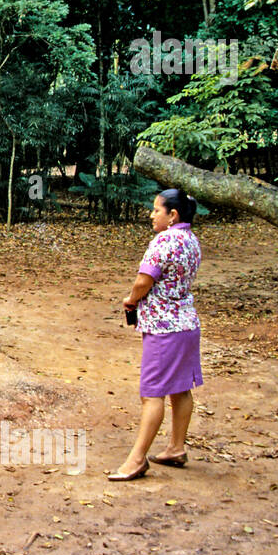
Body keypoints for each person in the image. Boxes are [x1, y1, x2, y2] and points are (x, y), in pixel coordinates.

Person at [110, 190, 204, 481]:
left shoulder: (163, 240)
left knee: (151, 395)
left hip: (164, 329)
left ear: (172, 215)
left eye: (156, 210)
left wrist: (132, 299)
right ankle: (176, 447)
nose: (152, 215)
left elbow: (143, 280)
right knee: (180, 388)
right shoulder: (191, 241)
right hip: (187, 324)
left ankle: (137, 460)